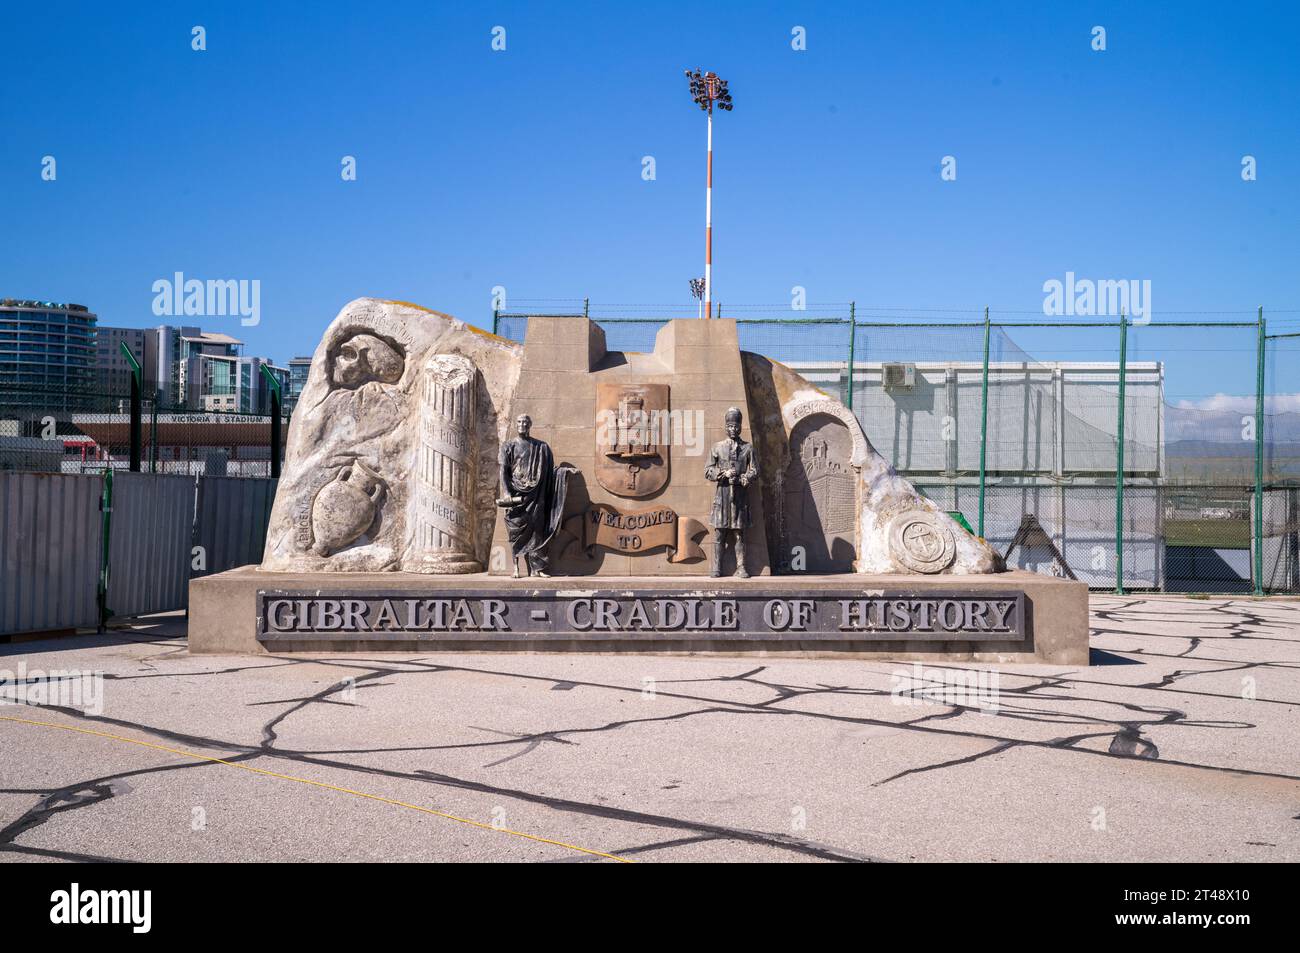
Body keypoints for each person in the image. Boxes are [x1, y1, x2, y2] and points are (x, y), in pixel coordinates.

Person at [496, 414, 571, 577]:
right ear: (516, 425)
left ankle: (537, 568)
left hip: (536, 496)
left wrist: (564, 473)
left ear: (530, 425)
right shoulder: (508, 446)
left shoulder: (541, 447)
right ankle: (516, 567)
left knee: (537, 531)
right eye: (519, 422)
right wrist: (507, 492)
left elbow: (550, 472)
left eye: (525, 422)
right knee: (515, 532)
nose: (522, 424)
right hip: (516, 495)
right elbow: (503, 471)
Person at [704, 406, 757, 577]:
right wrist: (723, 473)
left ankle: (741, 567)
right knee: (719, 533)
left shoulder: (748, 448)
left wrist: (745, 478)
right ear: (725, 427)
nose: (733, 429)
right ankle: (717, 567)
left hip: (740, 496)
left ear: (740, 427)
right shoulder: (717, 447)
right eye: (730, 426)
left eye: (736, 426)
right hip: (723, 495)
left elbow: (754, 470)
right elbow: (708, 470)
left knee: (739, 534)